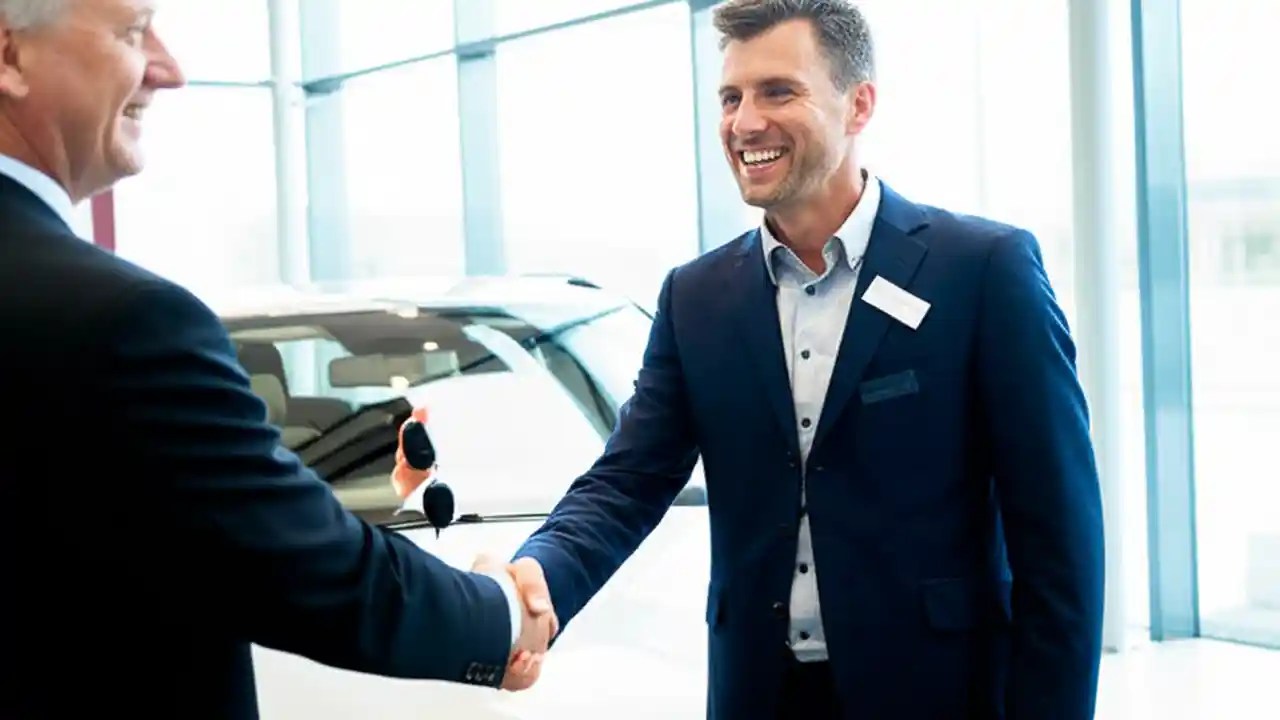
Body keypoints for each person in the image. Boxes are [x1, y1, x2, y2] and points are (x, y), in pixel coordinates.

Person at [396, 0, 1107, 717]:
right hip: (758, 692)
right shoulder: (698, 297)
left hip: (936, 692)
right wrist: (536, 579)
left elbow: (1060, 542)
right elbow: (627, 480)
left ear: (858, 105)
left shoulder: (981, 270)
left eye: (778, 91)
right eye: (731, 97)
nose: (744, 123)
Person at [0, 1, 553, 717]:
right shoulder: (119, 320)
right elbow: (302, 566)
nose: (169, 70)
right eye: (134, 33)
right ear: (10, 55)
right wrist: (501, 612)